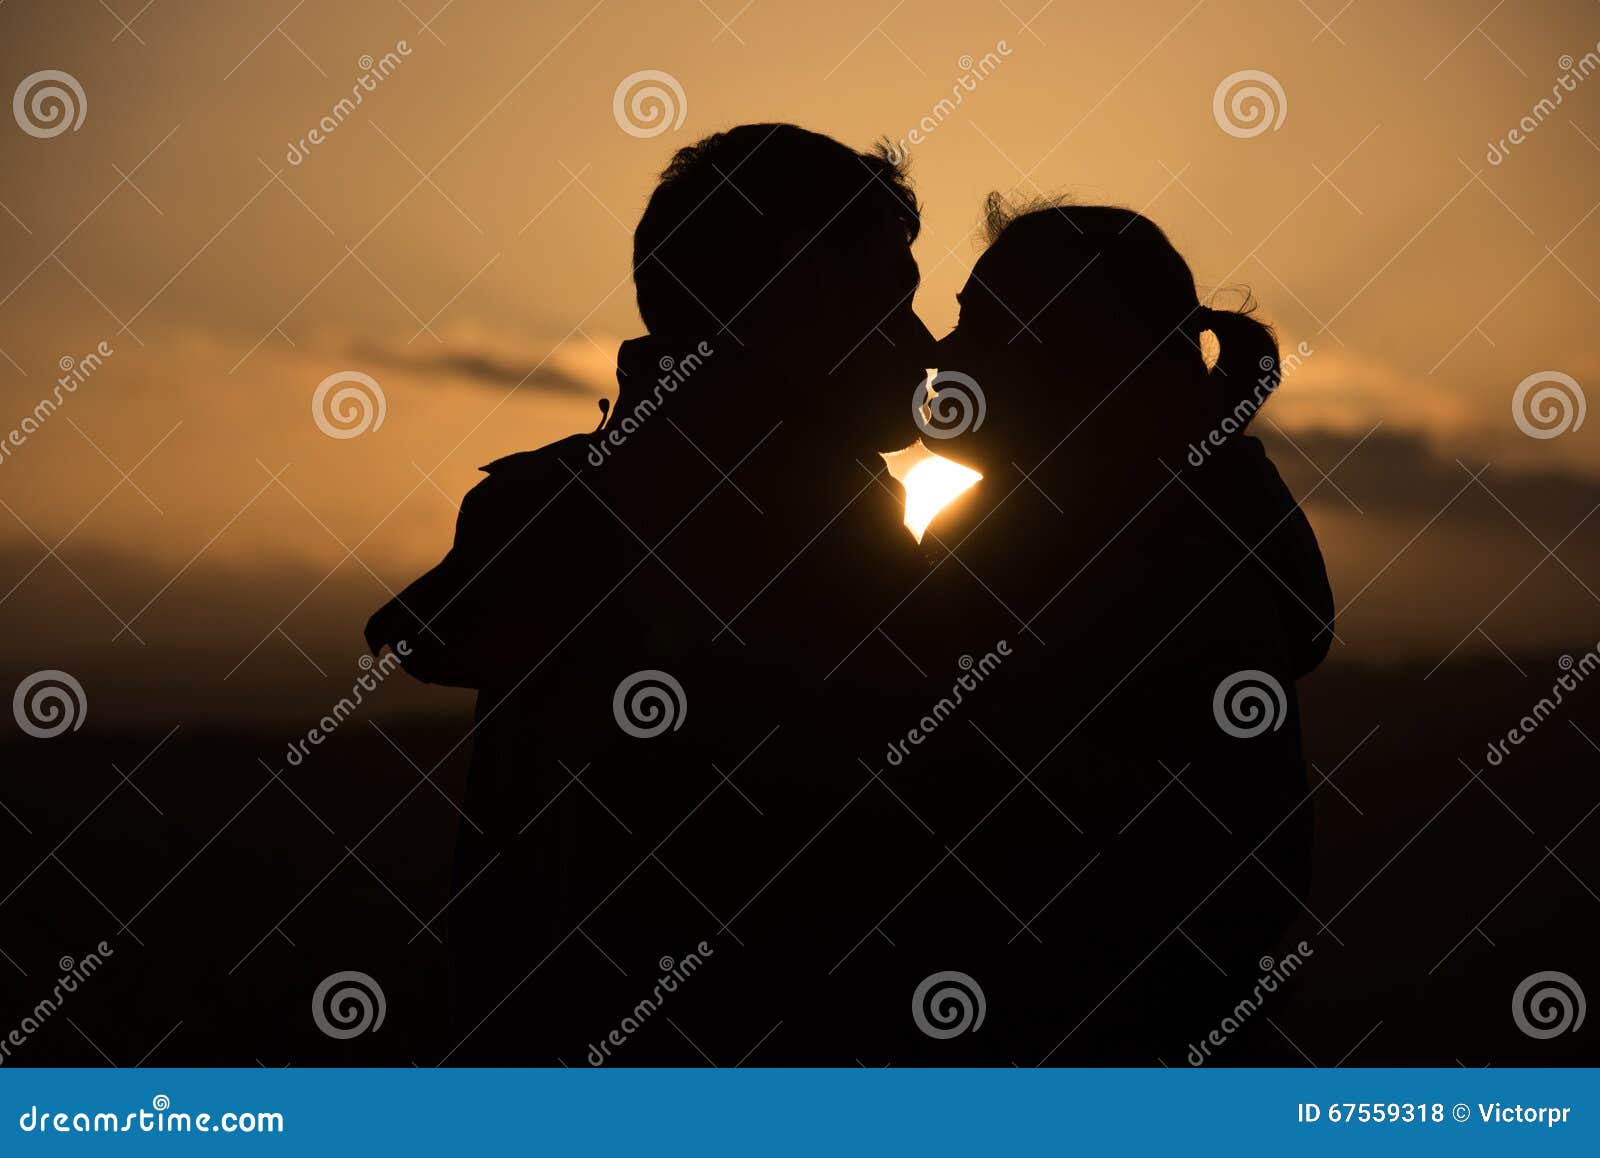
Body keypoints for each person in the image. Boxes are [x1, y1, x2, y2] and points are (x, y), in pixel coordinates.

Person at [365, 124, 937, 1064]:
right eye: (888, 301)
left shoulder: (562, 503)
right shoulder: (768, 528)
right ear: (790, 305)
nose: (920, 344)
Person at [860, 195, 1334, 1063]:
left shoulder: (1126, 554)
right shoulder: (1170, 516)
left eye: (985, 328)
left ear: (1076, 360)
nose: (942, 352)